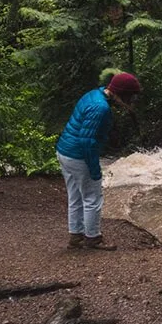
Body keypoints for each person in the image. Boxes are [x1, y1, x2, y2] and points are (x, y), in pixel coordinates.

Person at [55, 71, 141, 250]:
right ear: (122, 93)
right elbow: (87, 141)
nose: (131, 101)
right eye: (131, 96)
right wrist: (94, 169)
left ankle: (75, 235)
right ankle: (93, 238)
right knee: (93, 197)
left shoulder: (94, 94)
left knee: (75, 195)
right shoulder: (100, 108)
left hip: (64, 151)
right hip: (78, 155)